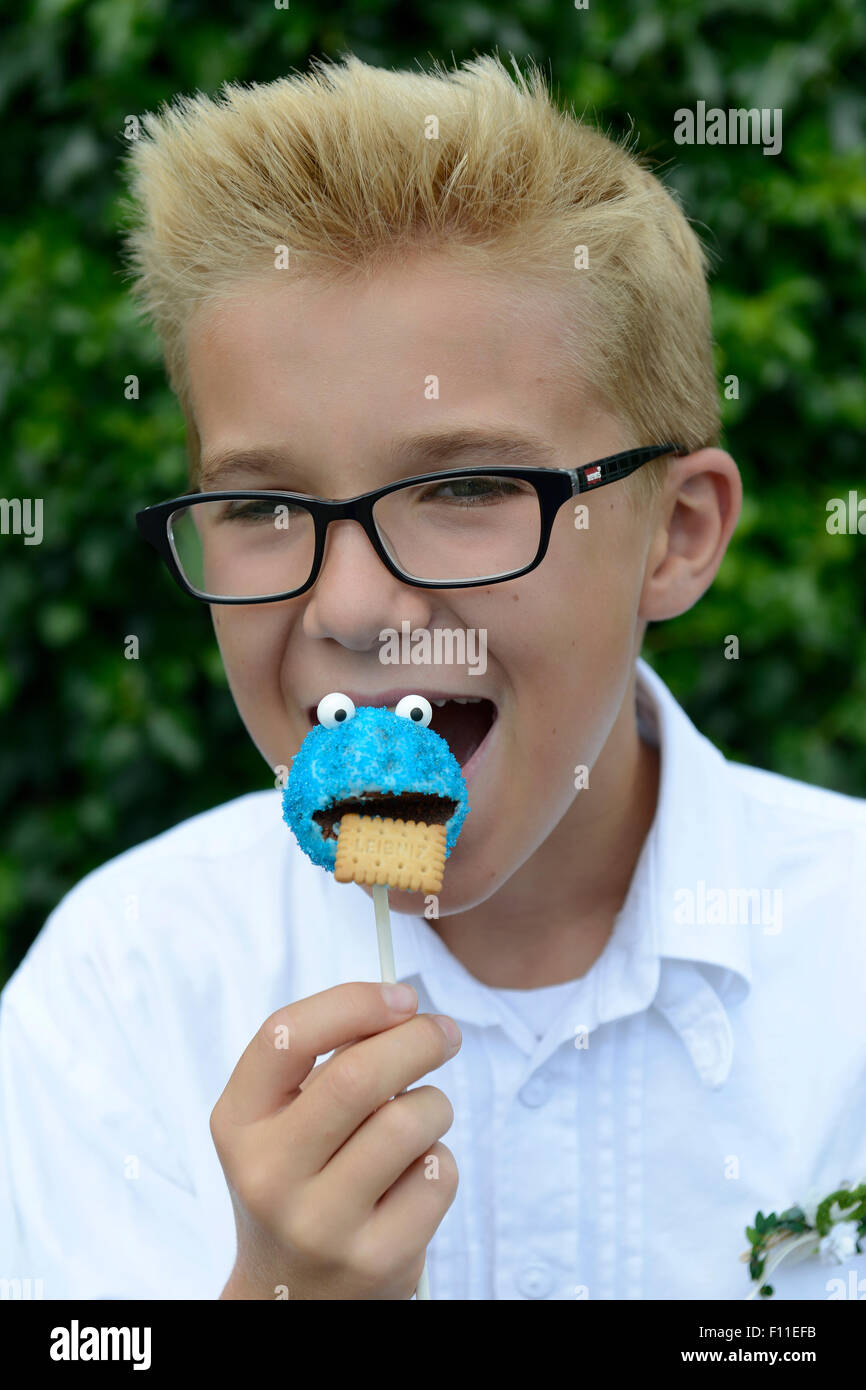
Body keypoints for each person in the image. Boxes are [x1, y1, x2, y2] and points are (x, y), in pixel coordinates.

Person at [1, 53, 864, 1302]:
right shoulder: (123, 993)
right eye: (259, 503)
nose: (350, 607)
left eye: (465, 488)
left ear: (675, 536)